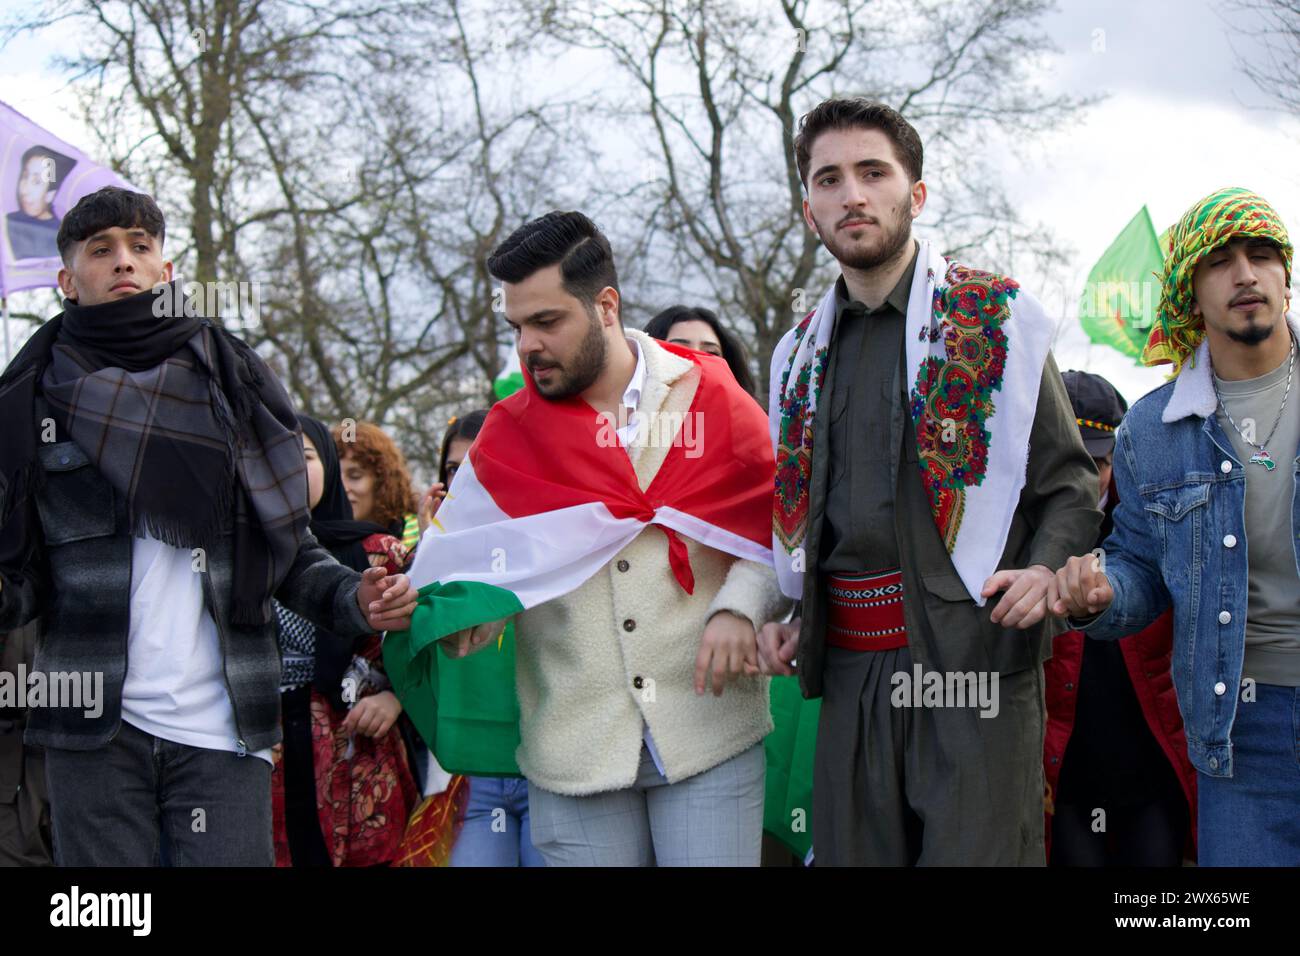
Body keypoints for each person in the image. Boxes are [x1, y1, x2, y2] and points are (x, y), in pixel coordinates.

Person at [0, 186, 417, 866]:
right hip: (93, 726)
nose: (123, 261)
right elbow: (21, 577)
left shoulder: (233, 383)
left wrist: (354, 600)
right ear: (67, 281)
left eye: (140, 246)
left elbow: (288, 548)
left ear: (167, 272)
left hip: (225, 723)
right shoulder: (29, 395)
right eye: (100, 250)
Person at [757, 98, 1101, 865]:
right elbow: (794, 524)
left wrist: (1046, 567)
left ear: (914, 194)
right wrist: (785, 605)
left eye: (872, 173)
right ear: (807, 207)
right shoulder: (795, 358)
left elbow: (1071, 484)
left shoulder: (994, 321)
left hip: (975, 670)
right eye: (828, 179)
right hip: (848, 675)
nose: (852, 194)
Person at [387, 211, 787, 866]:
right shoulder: (508, 438)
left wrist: (740, 606)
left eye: (547, 322)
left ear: (605, 306)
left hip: (709, 730)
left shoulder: (707, 395)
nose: (528, 346)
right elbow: (477, 587)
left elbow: (773, 528)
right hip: (572, 751)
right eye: (517, 326)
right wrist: (451, 621)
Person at [1053, 187, 1300, 867]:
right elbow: (1139, 566)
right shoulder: (1152, 429)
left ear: (1286, 276)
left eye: (1261, 255)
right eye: (1219, 262)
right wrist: (1101, 595)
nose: (1245, 274)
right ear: (1190, 293)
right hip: (1237, 735)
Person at [1043, 371, 1195, 866]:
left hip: (1146, 765)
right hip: (1064, 771)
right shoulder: (1019, 528)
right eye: (1074, 460)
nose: (1088, 476)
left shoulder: (1156, 519)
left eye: (1100, 461)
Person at [271, 415, 418, 867]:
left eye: (308, 455)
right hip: (266, 743)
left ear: (328, 466)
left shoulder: (382, 553)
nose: (293, 466)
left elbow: (427, 644)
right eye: (278, 455)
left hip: (356, 745)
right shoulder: (246, 555)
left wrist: (395, 696)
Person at [419, 410, 543, 868]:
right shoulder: (430, 553)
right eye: (454, 469)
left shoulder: (555, 543)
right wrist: (430, 546)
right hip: (472, 776)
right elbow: (412, 637)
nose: (466, 478)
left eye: (480, 462)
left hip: (550, 771)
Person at [334, 420, 421, 553]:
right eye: (334, 478)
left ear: (383, 479)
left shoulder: (420, 533)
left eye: (355, 476)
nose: (343, 488)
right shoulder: (311, 537)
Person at [643, 305, 757, 396]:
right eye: (679, 350)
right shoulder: (629, 419)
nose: (697, 359)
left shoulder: (753, 422)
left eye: (711, 352)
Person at [6, 145, 70, 260]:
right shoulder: (5, 224)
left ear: (51, 194)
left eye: (36, 182)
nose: (24, 190)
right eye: (25, 177)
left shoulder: (66, 235)